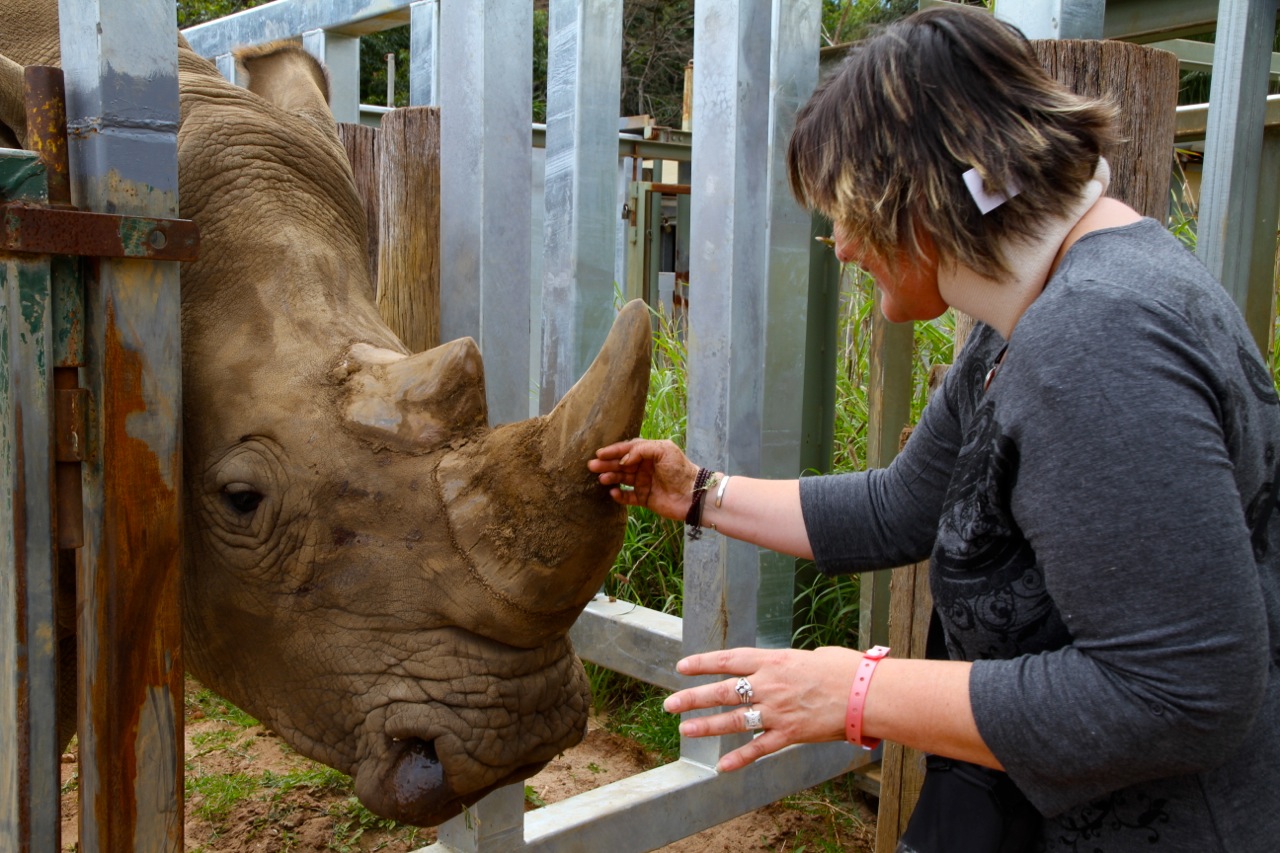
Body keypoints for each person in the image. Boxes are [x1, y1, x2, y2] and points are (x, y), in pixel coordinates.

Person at [588, 6, 1279, 853]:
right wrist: (699, 493)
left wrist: (860, 692)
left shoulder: (1098, 341)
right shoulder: (1032, 310)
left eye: (847, 210)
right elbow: (903, 506)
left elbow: (1180, 694)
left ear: (919, 194)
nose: (838, 244)